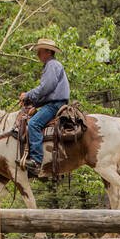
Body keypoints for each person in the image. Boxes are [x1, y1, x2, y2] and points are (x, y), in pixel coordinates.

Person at [19, 38, 71, 176]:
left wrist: (28, 95)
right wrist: (34, 103)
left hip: (55, 105)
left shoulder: (52, 65)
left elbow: (46, 87)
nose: (37, 54)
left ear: (48, 52)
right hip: (55, 103)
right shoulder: (53, 65)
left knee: (34, 124)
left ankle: (36, 161)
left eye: (40, 51)